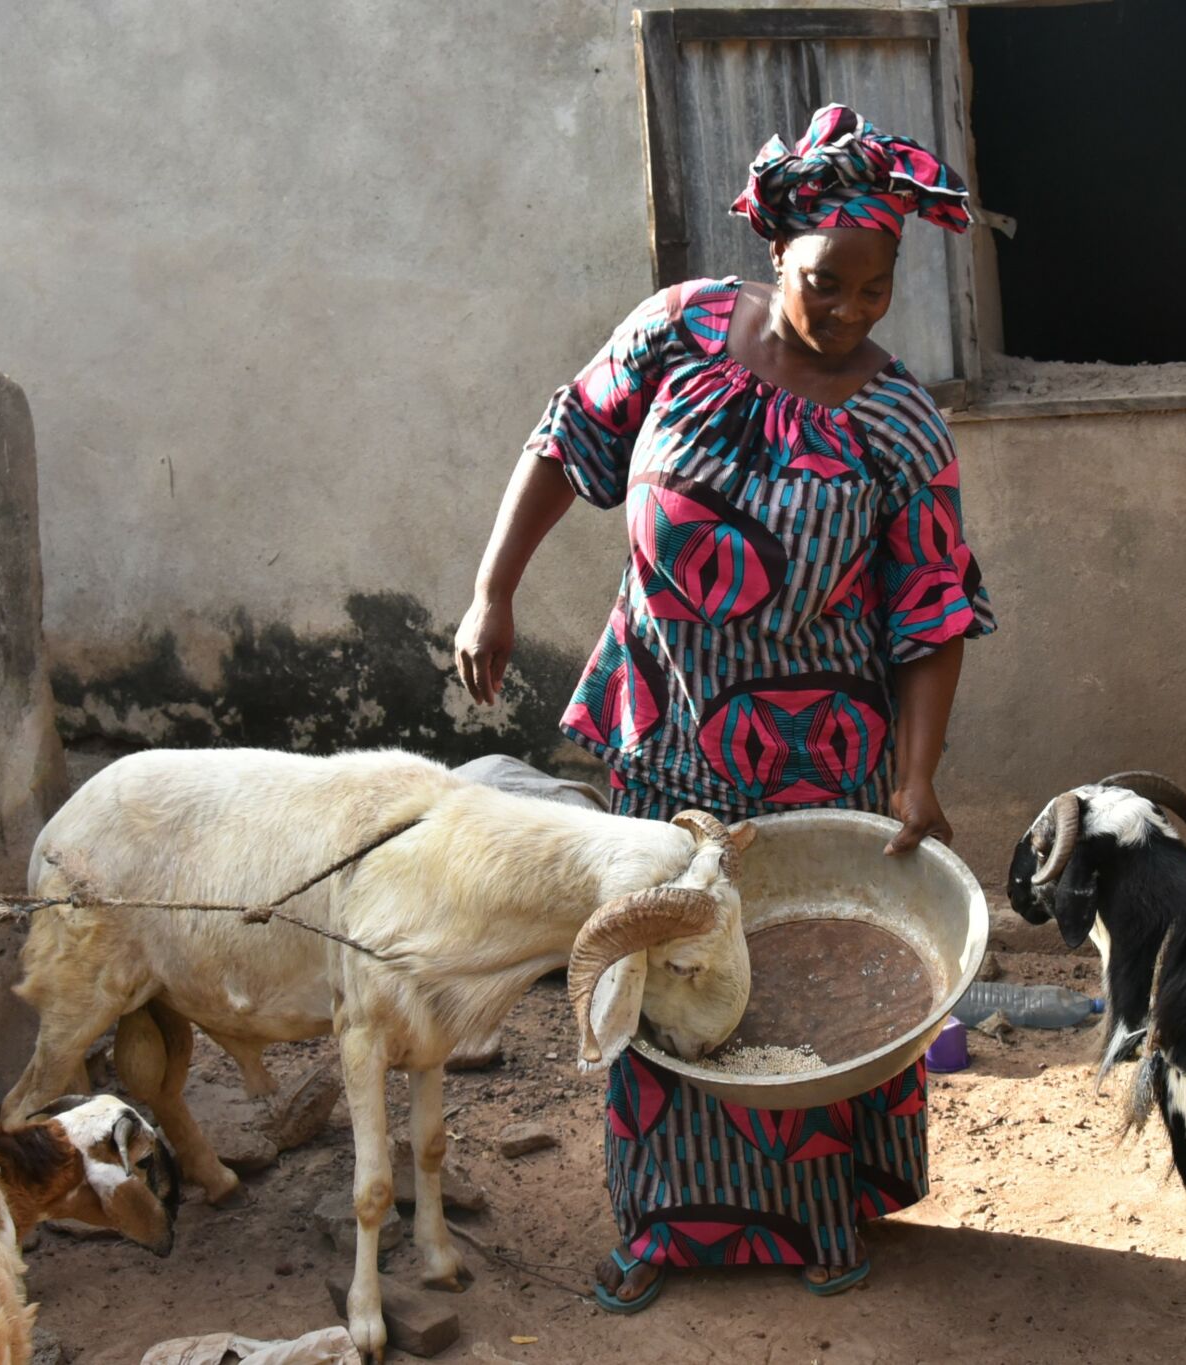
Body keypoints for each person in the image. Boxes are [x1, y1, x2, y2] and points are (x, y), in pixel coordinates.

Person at [455, 104, 993, 1310]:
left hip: (819, 750)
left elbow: (932, 610)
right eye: (824, 282)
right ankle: (662, 1224)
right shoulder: (680, 330)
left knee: (805, 979)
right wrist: (493, 592)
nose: (850, 310)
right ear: (776, 250)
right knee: (660, 971)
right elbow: (565, 442)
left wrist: (915, 776)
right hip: (662, 725)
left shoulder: (900, 423)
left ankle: (818, 1219)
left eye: (876, 286)